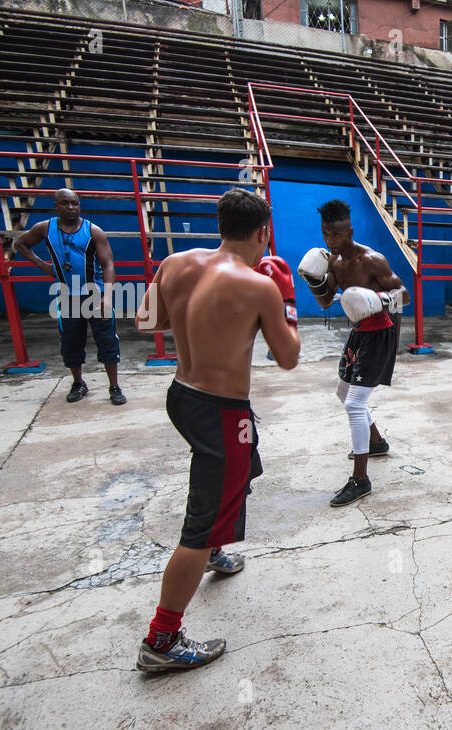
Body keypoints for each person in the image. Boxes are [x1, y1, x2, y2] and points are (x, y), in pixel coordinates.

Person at [133, 188, 300, 673]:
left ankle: (216, 550)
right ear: (263, 232)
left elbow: (146, 323)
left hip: (182, 395)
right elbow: (288, 358)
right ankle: (161, 640)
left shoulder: (175, 262)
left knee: (239, 470)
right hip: (222, 411)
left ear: (221, 225)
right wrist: (286, 300)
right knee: (199, 522)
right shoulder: (259, 285)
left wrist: (194, 316)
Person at [297, 199, 410, 507]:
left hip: (380, 332)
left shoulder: (372, 260)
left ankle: (360, 479)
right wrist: (315, 282)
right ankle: (377, 442)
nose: (330, 240)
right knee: (342, 390)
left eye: (335, 234)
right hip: (359, 332)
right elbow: (324, 303)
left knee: (354, 403)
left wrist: (379, 300)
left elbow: (405, 296)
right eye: (325, 234)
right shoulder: (332, 262)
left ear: (349, 230)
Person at [13, 188, 123, 404]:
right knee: (70, 342)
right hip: (68, 295)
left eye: (75, 203)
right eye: (66, 203)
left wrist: (107, 296)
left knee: (107, 341)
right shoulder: (45, 228)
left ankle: (114, 386)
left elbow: (108, 264)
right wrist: (43, 266)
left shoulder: (93, 231)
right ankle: (78, 383)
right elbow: (20, 244)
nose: (71, 207)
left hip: (95, 294)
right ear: (56, 205)